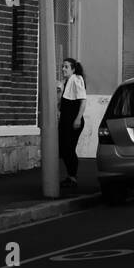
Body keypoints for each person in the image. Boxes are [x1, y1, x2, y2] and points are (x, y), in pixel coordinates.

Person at [58, 58, 87, 188]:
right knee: (63, 149)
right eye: (62, 66)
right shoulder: (66, 82)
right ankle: (70, 175)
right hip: (65, 120)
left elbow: (83, 101)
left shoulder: (76, 79)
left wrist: (78, 118)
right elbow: (62, 104)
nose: (63, 69)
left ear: (73, 69)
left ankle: (72, 176)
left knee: (69, 148)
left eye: (66, 67)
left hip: (73, 120)